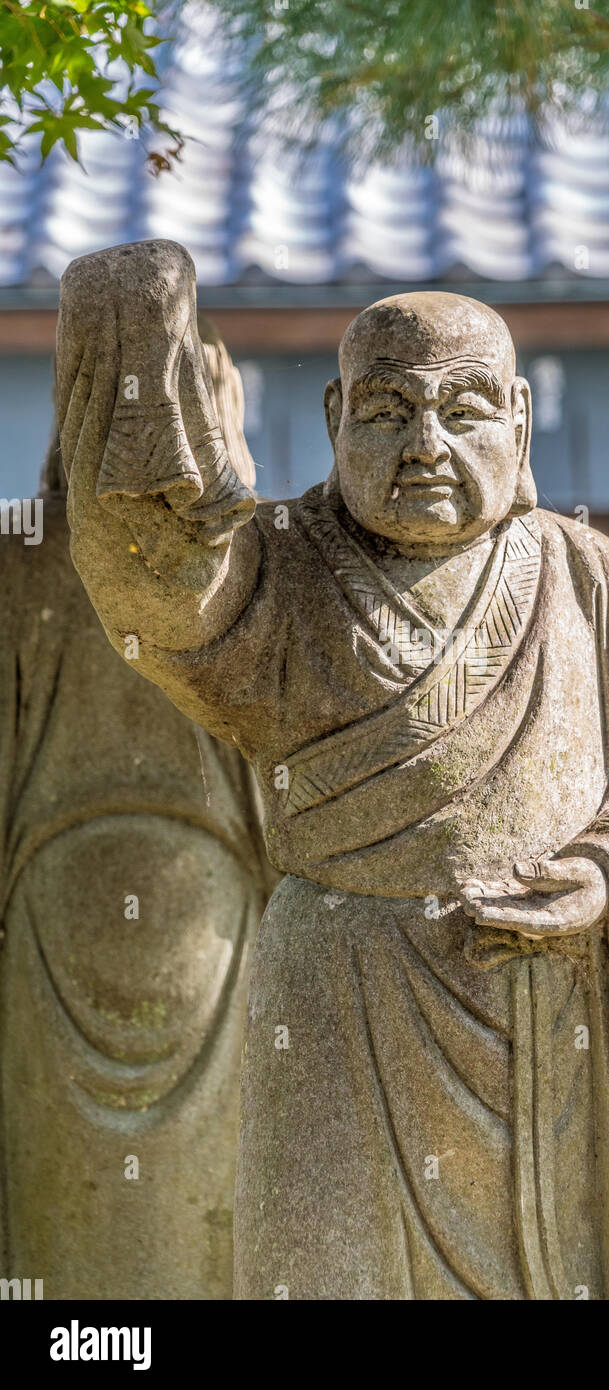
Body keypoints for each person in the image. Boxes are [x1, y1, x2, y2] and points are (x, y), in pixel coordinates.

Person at [58, 239, 609, 1300]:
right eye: (388, 411)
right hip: (337, 997)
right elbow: (164, 606)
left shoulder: (586, 574)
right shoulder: (279, 561)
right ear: (334, 420)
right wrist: (131, 361)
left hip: (539, 1006)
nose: (426, 444)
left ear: (517, 416)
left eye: (462, 411)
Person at [0, 319, 274, 1298]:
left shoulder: (259, 570)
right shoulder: (20, 561)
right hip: (51, 925)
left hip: (215, 923)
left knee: (210, 1215)